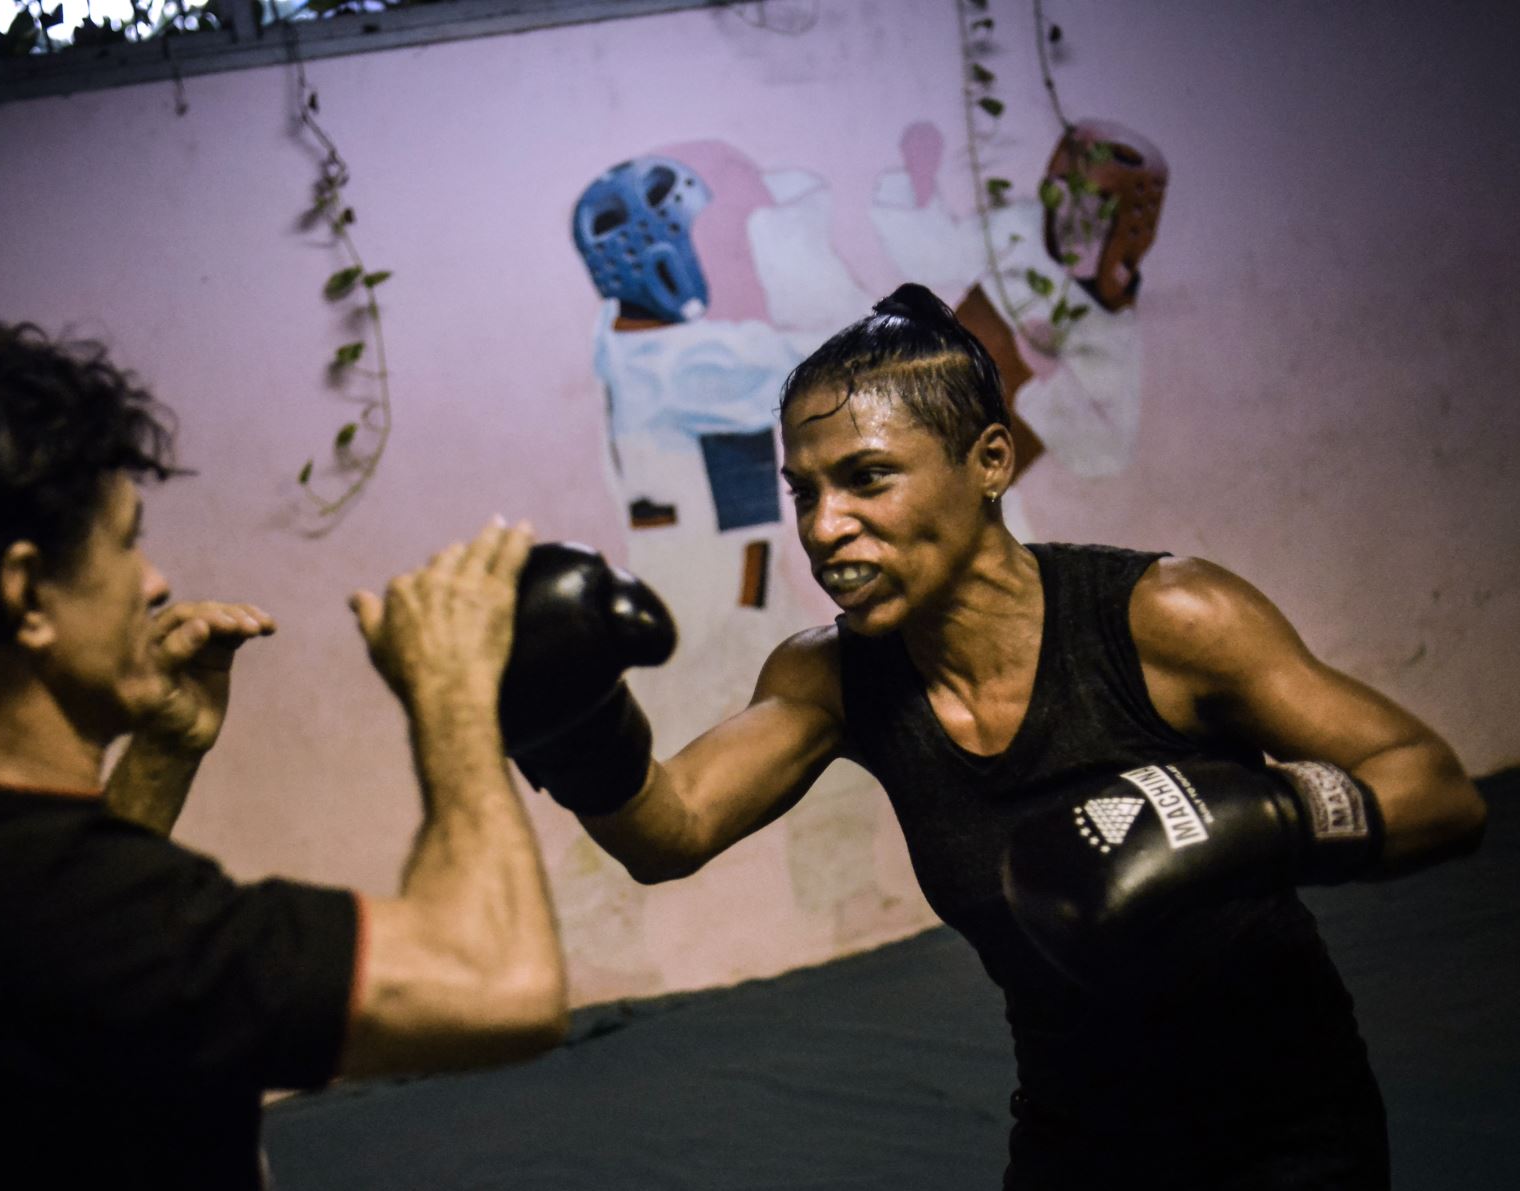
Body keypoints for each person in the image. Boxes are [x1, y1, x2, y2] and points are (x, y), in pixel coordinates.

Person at [506, 284, 1487, 1189]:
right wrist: (574, 722)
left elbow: (1439, 791)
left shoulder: (1167, 618)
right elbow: (669, 832)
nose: (823, 526)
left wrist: (1266, 819)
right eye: (804, 491)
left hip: (1287, 1128)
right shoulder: (832, 678)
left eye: (866, 478)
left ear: (989, 461)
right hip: (1076, 1136)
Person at [0, 323, 567, 1190]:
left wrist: (162, 751)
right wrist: (455, 695)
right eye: (125, 540)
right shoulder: (67, 916)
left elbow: (75, 981)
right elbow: (502, 984)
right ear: (28, 593)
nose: (153, 580)